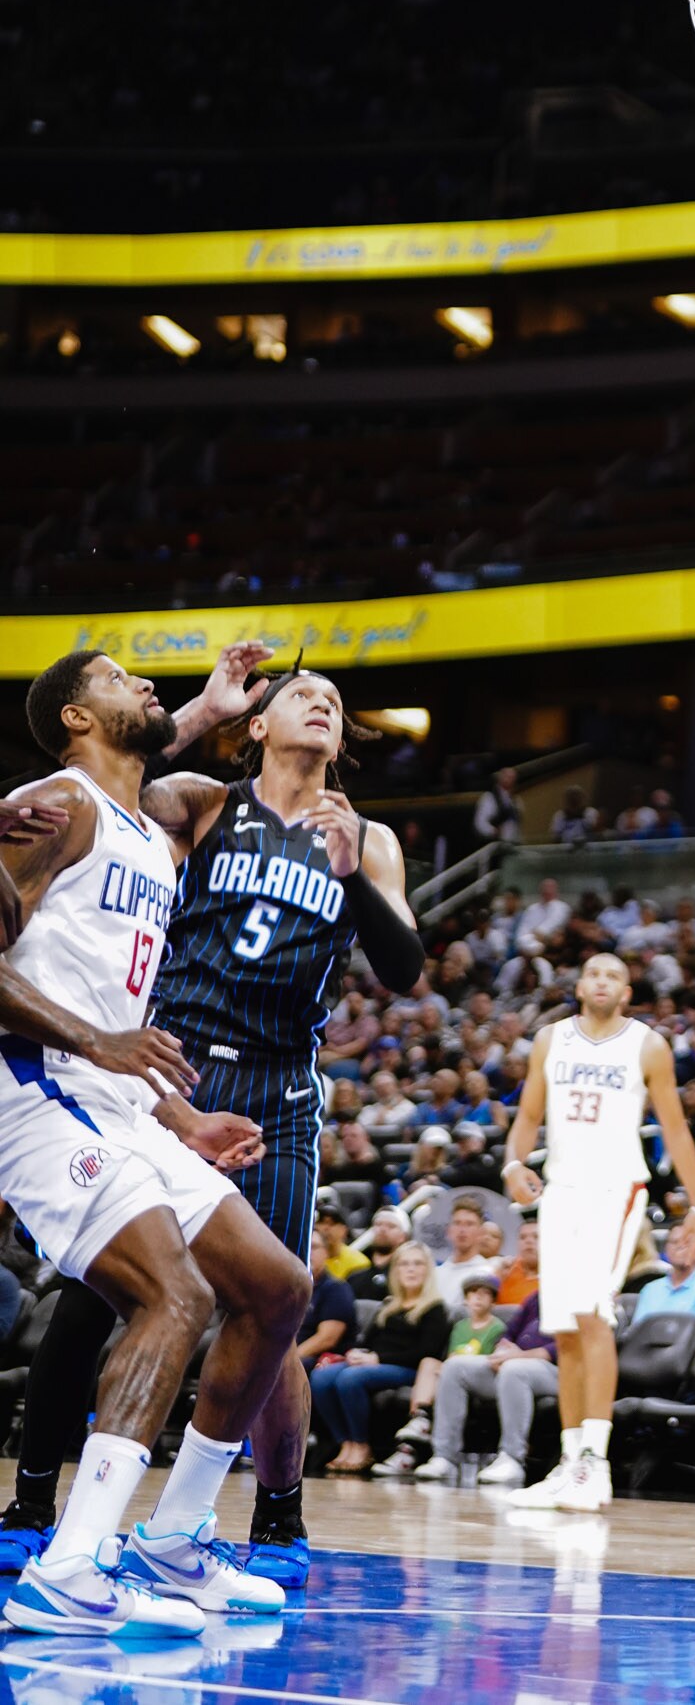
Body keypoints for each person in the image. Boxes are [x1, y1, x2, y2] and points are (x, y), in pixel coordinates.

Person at [1, 652, 424, 1592]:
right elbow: (92, 787)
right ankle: (52, 1533)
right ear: (260, 726)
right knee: (146, 1295)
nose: (322, 703)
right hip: (107, 1062)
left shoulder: (349, 836)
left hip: (214, 1088)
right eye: (302, 694)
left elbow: (404, 967)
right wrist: (196, 713)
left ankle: (203, 1531)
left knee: (276, 1291)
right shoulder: (180, 805)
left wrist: (177, 1112)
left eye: (336, 702)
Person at [503, 952, 695, 1512]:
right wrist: (513, 1165)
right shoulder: (550, 1040)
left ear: (627, 991)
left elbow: (674, 1126)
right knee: (565, 1331)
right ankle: (569, 1465)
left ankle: (597, 1463)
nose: (601, 981)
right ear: (578, 984)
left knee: (594, 1318)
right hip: (560, 1191)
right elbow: (526, 1119)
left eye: (613, 975)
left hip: (616, 1190)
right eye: (592, 972)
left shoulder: (647, 1045)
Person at [311, 1242, 451, 1475]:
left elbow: (428, 1352)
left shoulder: (435, 1308)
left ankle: (362, 1444)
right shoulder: (388, 1306)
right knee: (321, 1377)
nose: (411, 1269)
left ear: (428, 1270)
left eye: (417, 1264)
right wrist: (358, 1353)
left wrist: (377, 1358)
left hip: (409, 1368)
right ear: (395, 1270)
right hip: (377, 1364)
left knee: (350, 1378)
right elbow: (367, 1341)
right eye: (404, 1264)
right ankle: (346, 1443)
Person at [413, 1289, 560, 1488]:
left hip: (559, 1371)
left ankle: (512, 1458)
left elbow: (568, 1347)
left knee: (514, 1369)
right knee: (454, 1367)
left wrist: (521, 1356)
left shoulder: (581, 1292)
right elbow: (509, 1333)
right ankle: (444, 1458)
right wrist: (501, 1352)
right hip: (515, 1364)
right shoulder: (536, 1297)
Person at [376, 1274, 510, 1476]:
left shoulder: (497, 1327)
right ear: (465, 1298)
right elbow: (450, 1354)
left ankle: (423, 1425)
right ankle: (420, 1418)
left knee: (449, 1370)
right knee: (429, 1363)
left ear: (494, 1300)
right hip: (452, 1369)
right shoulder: (459, 1326)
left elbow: (488, 1359)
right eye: (473, 1293)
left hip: (478, 1373)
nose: (478, 1298)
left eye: (485, 1294)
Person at [294, 1227, 358, 1371]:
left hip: (317, 1358)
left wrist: (287, 1358)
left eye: (314, 1247)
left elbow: (326, 1339)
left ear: (327, 1252)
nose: (307, 1252)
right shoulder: (287, 1286)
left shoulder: (336, 1289)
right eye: (303, 1245)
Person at [634, 1223, 695, 1322]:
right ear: (665, 1249)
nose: (679, 1247)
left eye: (687, 1243)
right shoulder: (650, 1288)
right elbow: (637, 1329)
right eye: (674, 1242)